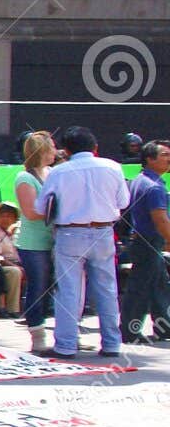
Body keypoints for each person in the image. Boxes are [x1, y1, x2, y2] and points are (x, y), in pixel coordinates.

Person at [36, 126, 129, 359]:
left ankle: (66, 346)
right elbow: (123, 201)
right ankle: (111, 344)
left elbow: (41, 208)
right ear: (95, 147)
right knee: (107, 289)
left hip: (70, 234)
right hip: (103, 231)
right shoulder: (113, 167)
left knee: (69, 291)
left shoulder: (58, 172)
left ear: (65, 151)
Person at [121, 140, 170, 344]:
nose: (169, 159)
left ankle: (164, 327)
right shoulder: (153, 187)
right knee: (140, 289)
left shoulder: (140, 180)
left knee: (158, 284)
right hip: (149, 240)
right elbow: (160, 219)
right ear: (149, 159)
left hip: (142, 239)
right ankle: (130, 332)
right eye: (164, 155)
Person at [14, 131, 58, 353]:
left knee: (55, 286)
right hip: (32, 243)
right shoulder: (25, 178)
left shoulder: (51, 173)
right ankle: (37, 334)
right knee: (37, 286)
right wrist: (58, 211)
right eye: (51, 148)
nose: (55, 151)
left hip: (52, 239)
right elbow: (30, 212)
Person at [0, 203, 24, 318]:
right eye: (2, 216)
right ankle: (12, 309)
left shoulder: (15, 231)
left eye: (9, 216)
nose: (5, 219)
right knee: (15, 272)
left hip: (17, 262)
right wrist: (15, 265)